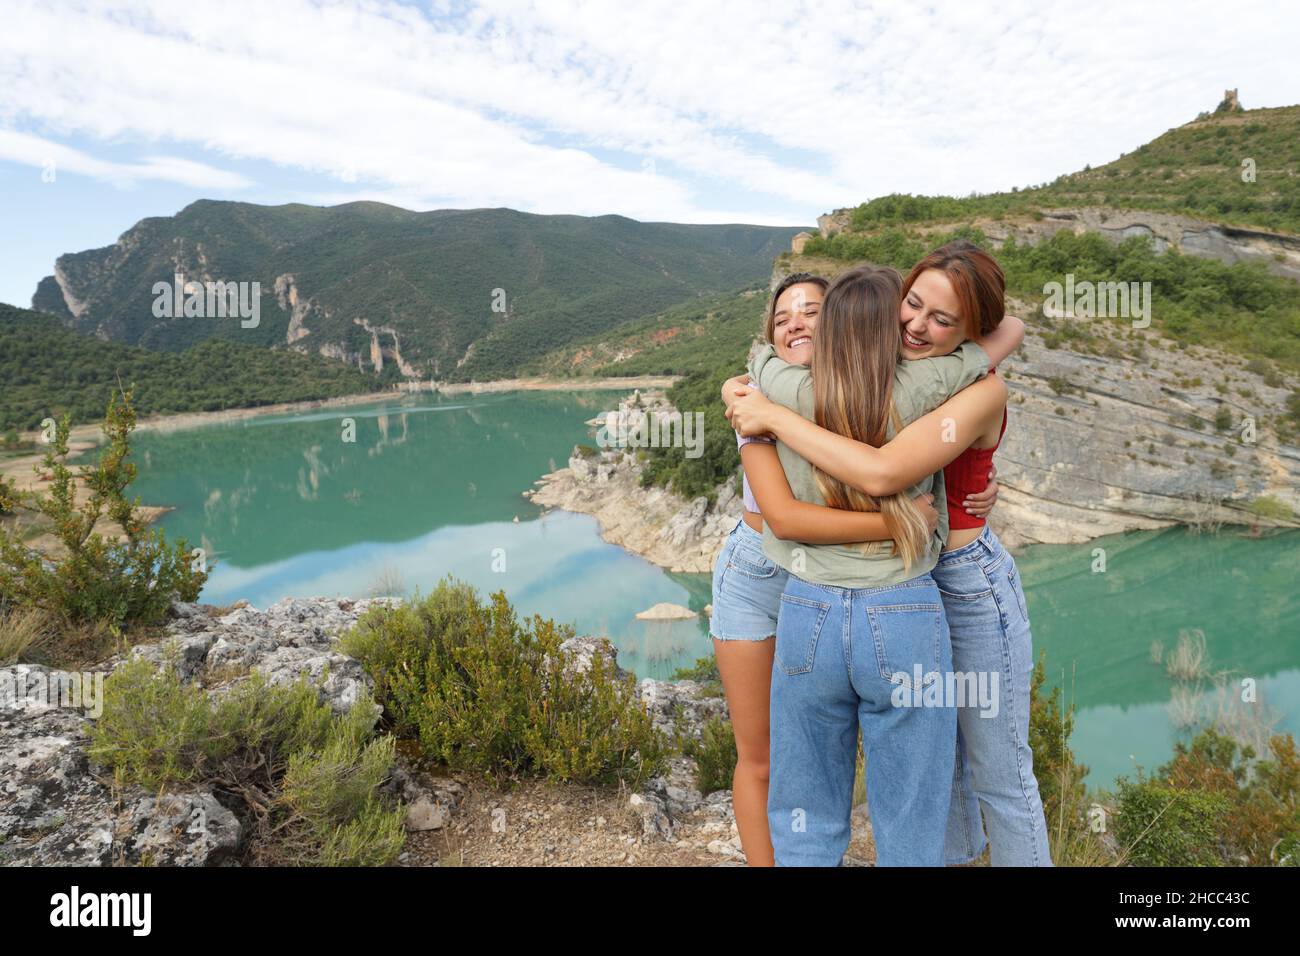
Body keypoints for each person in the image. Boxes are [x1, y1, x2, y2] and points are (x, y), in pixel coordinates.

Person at [724, 241, 1048, 866]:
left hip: (812, 607)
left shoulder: (784, 388)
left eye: (941, 319)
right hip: (906, 601)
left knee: (810, 813)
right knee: (913, 812)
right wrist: (905, 520)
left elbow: (853, 481)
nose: (918, 325)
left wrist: (754, 399)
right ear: (889, 311)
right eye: (911, 305)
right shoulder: (927, 386)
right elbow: (1001, 337)